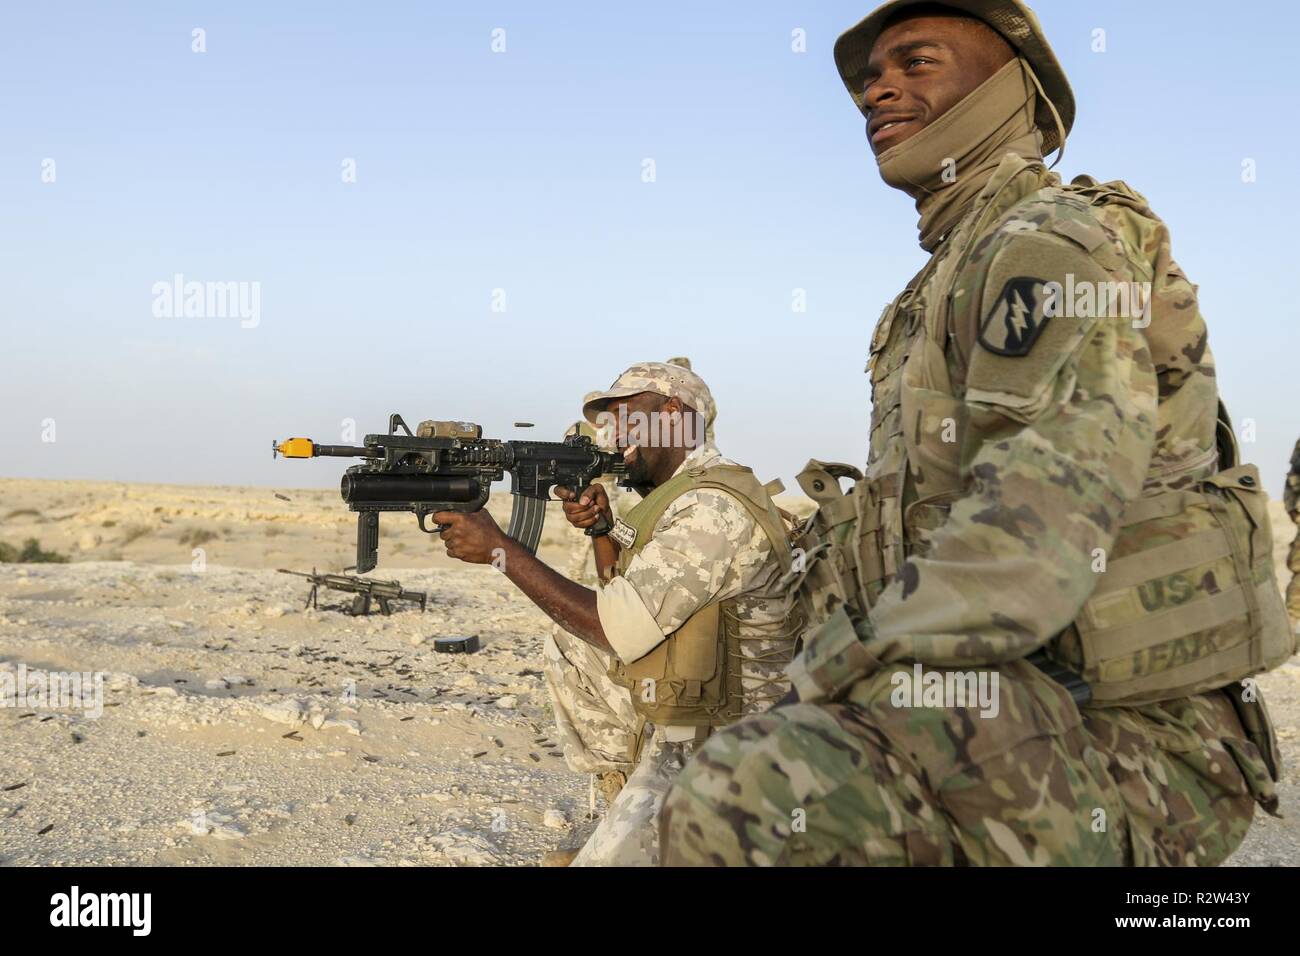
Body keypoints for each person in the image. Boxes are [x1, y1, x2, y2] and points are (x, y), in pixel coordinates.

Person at [659, 0, 1292, 867]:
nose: (878, 92)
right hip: (1013, 700)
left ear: (1008, 90)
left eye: (915, 64)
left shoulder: (1048, 242)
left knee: (750, 792)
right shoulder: (950, 273)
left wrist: (830, 673)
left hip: (1137, 738)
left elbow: (1038, 530)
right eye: (870, 81)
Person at [436, 361, 796, 865]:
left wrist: (501, 550)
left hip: (735, 731)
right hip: (692, 698)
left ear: (673, 414)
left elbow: (613, 626)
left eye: (628, 417)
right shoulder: (673, 499)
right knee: (571, 643)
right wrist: (602, 529)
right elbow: (615, 597)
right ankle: (623, 793)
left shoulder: (712, 508)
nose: (613, 433)